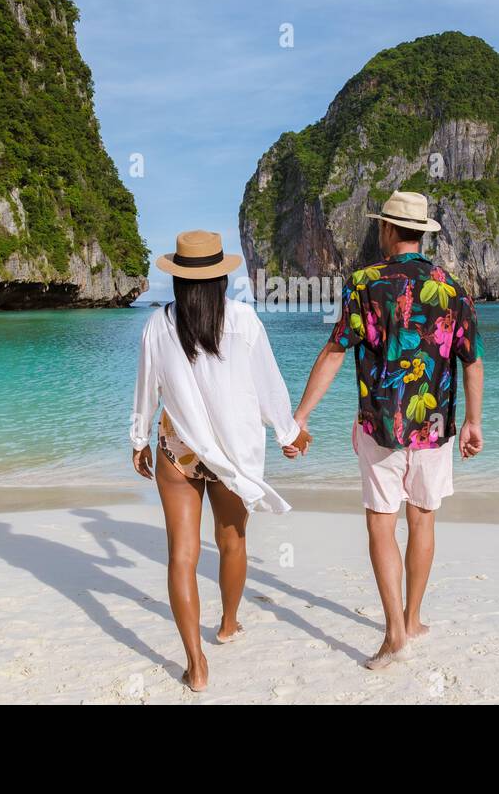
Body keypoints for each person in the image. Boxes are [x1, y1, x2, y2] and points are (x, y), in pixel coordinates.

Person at [291, 191, 484, 669]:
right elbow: (473, 360)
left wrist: (301, 416)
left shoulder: (364, 283)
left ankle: (395, 631)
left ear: (386, 230)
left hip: (381, 425)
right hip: (435, 427)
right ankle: (413, 619)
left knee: (382, 524)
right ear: (421, 233)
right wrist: (475, 423)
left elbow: (336, 351)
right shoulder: (452, 286)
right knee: (423, 520)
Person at [130, 229, 311, 691]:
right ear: (220, 280)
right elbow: (268, 385)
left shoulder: (158, 324)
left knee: (182, 556)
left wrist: (138, 439)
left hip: (178, 448)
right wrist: (290, 432)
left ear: (177, 281)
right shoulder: (244, 321)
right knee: (232, 543)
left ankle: (196, 663)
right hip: (232, 453)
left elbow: (146, 388)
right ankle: (228, 625)